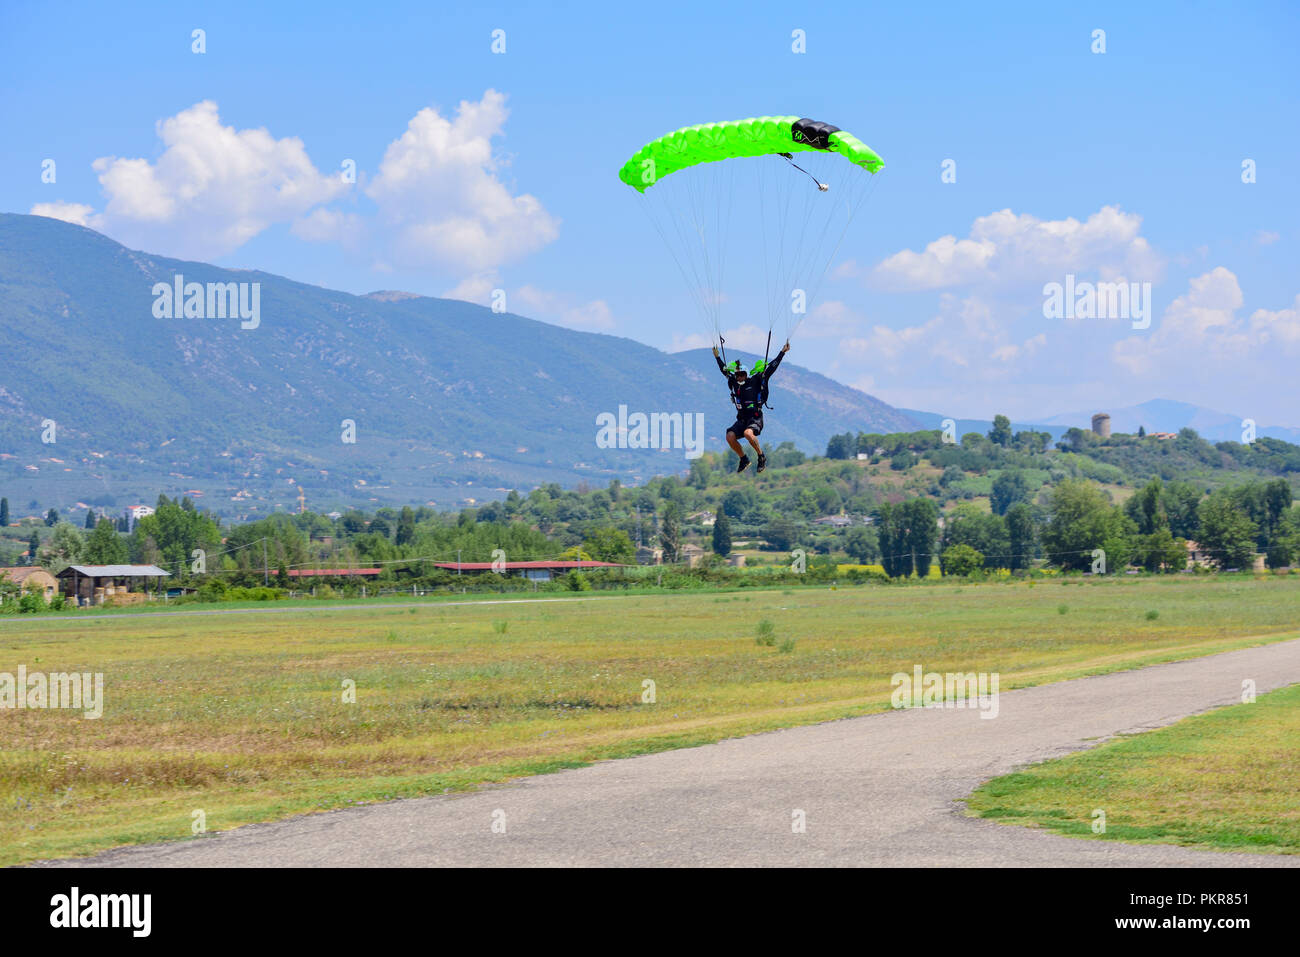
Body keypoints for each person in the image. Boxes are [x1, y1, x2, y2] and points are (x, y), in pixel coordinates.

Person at [713, 341, 789, 473]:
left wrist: (782, 352)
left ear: (746, 374)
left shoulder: (755, 380)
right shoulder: (734, 383)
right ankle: (744, 459)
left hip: (755, 418)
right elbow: (724, 370)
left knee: (748, 433)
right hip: (742, 419)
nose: (739, 377)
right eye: (737, 375)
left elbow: (771, 368)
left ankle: (761, 456)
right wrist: (717, 357)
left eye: (742, 374)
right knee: (729, 436)